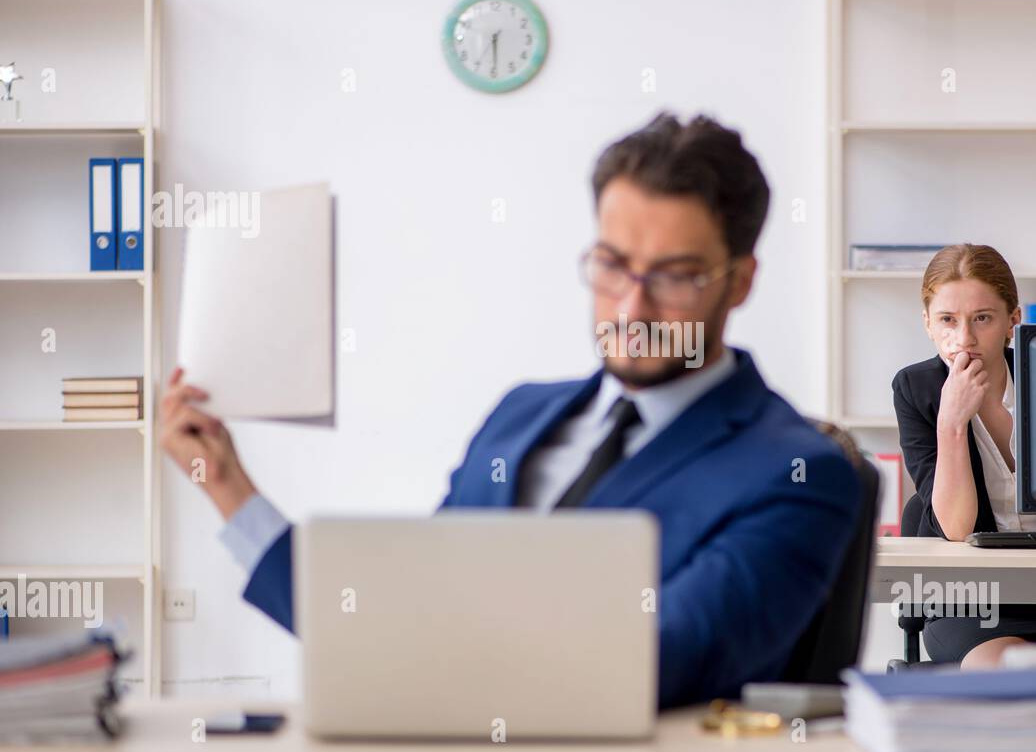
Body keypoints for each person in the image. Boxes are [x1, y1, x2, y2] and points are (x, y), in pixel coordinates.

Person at [162, 112, 863, 708]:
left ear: (738, 282)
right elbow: (407, 604)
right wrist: (226, 486)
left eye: (675, 277)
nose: (631, 307)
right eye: (613, 265)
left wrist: (417, 647)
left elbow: (653, 661)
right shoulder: (520, 415)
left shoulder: (799, 471)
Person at [891, 243, 1036, 669]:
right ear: (928, 323)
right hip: (967, 594)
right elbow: (956, 526)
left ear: (1013, 320)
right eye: (948, 320)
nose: (964, 339)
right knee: (1008, 667)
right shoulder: (916, 390)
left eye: (982, 318)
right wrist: (952, 423)